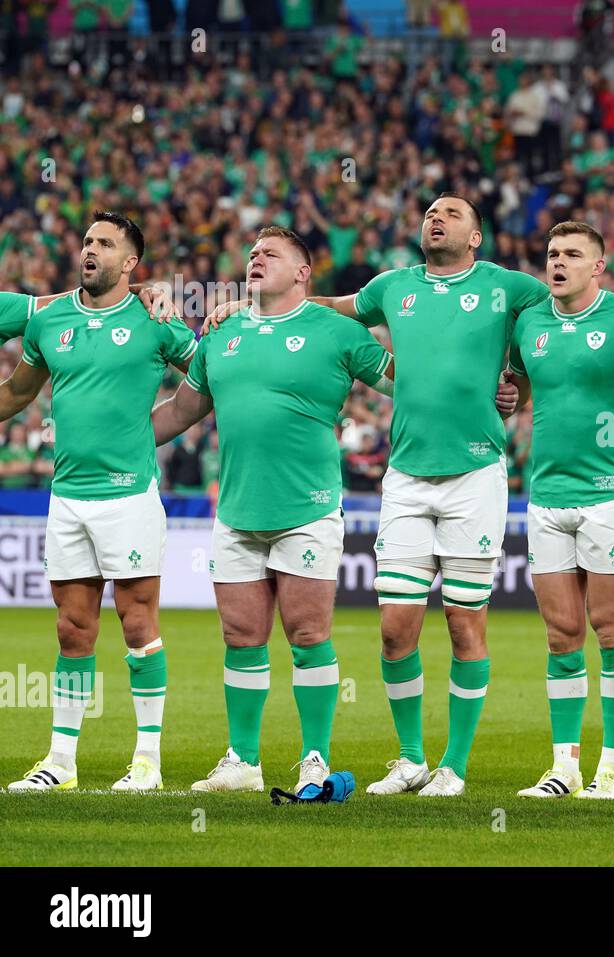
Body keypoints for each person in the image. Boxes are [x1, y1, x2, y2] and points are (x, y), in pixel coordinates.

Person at [204, 193, 549, 798]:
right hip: (407, 475)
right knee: (394, 630)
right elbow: (326, 308)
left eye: (452, 214)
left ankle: (455, 767)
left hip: (476, 475)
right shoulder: (392, 287)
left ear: (476, 236)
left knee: (466, 626)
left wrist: (516, 380)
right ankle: (412, 759)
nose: (435, 218)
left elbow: (561, 318)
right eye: (430, 212)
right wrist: (249, 302)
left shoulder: (507, 286)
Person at [152, 227, 395, 796]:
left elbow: (405, 384)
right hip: (236, 509)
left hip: (306, 508)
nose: (256, 259)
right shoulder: (222, 330)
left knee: (308, 633)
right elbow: (185, 408)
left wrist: (496, 391)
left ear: (303, 272)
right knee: (241, 635)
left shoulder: (338, 332)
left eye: (271, 254)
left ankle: (314, 757)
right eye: (253, 253)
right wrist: (117, 441)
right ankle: (243, 760)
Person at [0, 211, 196, 792]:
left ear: (131, 262)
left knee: (138, 624)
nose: (91, 249)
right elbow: (16, 392)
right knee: (72, 629)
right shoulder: (49, 319)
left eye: (106, 244)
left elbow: (211, 373)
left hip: (128, 497)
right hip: (67, 499)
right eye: (87, 240)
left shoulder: (154, 319)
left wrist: (159, 425)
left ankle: (147, 762)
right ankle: (61, 762)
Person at [505, 221, 614, 800]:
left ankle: (613, 770)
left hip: (608, 495)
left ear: (598, 267)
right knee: (561, 633)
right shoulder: (529, 322)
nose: (559, 261)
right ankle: (565, 767)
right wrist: (511, 396)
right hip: (545, 497)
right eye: (552, 253)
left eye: (573, 254)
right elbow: (520, 383)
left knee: (611, 627)